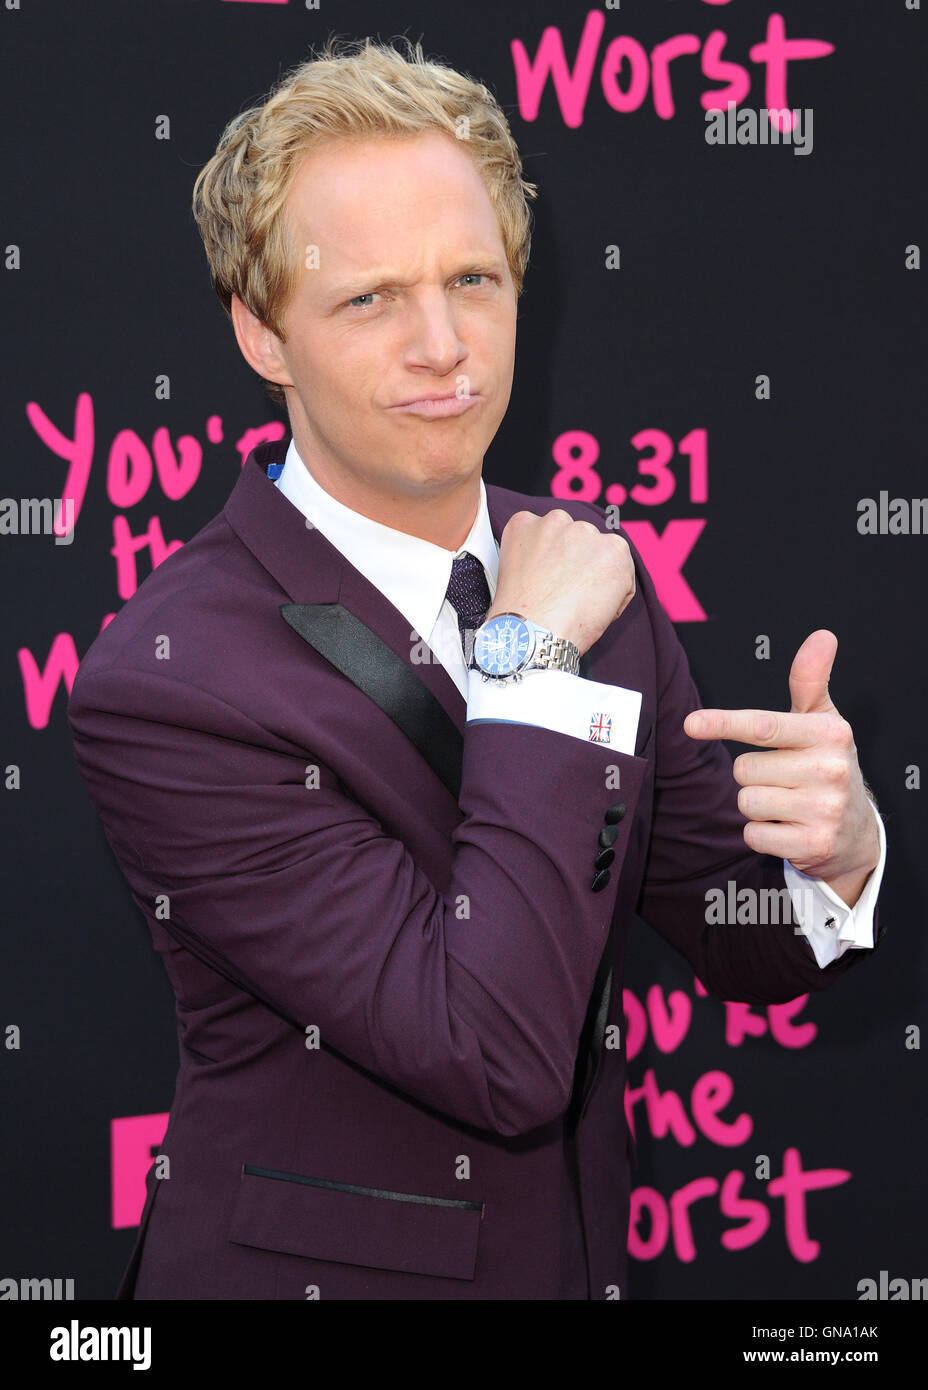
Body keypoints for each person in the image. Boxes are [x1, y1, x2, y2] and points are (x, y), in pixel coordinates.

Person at [67, 35, 886, 1301]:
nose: (444, 345)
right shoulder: (170, 682)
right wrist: (531, 658)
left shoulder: (587, 570)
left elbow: (742, 935)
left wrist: (835, 858)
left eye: (474, 278)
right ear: (260, 333)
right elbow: (491, 1046)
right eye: (368, 297)